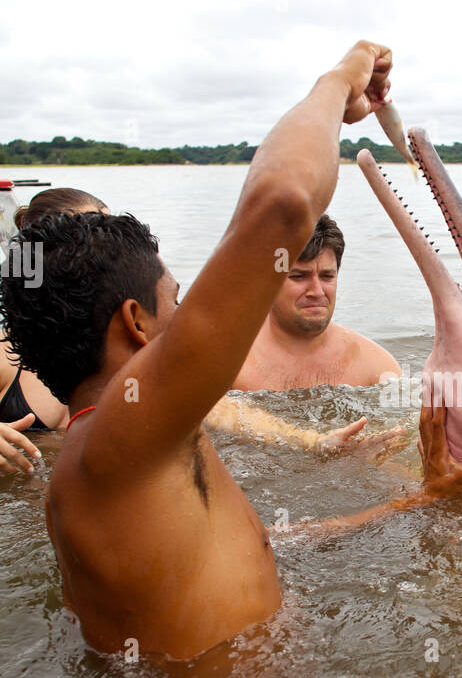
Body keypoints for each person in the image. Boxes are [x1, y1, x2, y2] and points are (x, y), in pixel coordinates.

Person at [0, 41, 462, 660]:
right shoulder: (121, 440)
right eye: (174, 300)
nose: (188, 318)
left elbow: (259, 543)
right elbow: (283, 203)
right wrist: (340, 81)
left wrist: (417, 502)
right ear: (137, 324)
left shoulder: (127, 450)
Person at [0, 190, 401, 476]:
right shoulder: (17, 352)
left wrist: (312, 443)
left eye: (327, 276)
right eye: (97, 229)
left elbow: (217, 408)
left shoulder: (138, 368)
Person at [233, 212, 399, 390]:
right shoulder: (230, 365)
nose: (317, 291)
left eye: (327, 276)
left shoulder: (376, 368)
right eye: (298, 276)